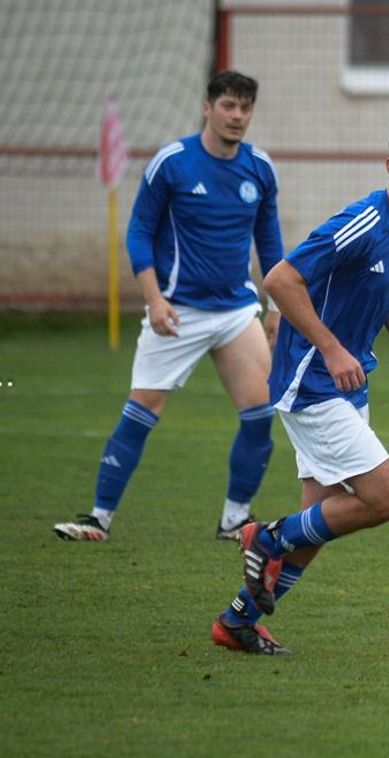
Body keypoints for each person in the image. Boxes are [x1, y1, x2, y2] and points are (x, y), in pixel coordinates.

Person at [210, 119, 389, 655]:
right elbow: (280, 280)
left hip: (350, 381)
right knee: (386, 498)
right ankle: (264, 537)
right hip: (310, 379)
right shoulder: (362, 220)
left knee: (321, 521)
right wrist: (334, 347)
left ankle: (237, 622)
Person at [54, 70, 284, 542]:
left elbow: (270, 242)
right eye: (228, 106)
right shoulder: (173, 163)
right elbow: (139, 232)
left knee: (260, 414)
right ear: (207, 107)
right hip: (176, 310)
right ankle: (98, 518)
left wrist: (276, 305)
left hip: (237, 310)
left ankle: (235, 520)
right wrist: (154, 299)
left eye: (245, 108)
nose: (237, 116)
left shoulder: (260, 168)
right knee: (142, 412)